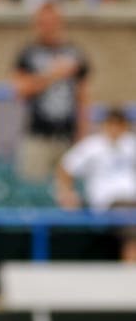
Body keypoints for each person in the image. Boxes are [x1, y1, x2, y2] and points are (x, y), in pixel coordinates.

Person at [12, 1, 90, 182]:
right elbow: (20, 89)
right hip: (38, 136)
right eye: (43, 22)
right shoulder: (28, 53)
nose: (48, 27)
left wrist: (83, 134)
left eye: (52, 22)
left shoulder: (75, 53)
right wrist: (52, 75)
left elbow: (83, 98)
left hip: (68, 136)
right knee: (32, 189)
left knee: (69, 191)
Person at [56, 108, 136, 262]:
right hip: (107, 203)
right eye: (111, 124)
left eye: (119, 124)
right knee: (130, 222)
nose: (115, 129)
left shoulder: (130, 143)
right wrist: (66, 193)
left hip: (132, 200)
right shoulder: (92, 146)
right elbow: (65, 167)